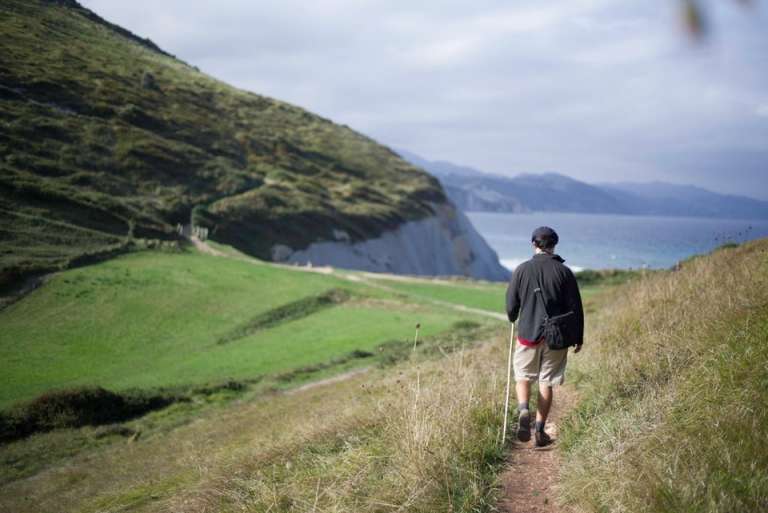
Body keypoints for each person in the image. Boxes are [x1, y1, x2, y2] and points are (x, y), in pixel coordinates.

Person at [505, 226, 584, 447]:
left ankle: (523, 410)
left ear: (534, 244)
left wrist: (513, 317)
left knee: (522, 375)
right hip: (556, 337)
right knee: (546, 381)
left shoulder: (521, 270)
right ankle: (539, 429)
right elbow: (576, 307)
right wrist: (578, 336)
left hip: (528, 333)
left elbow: (511, 305)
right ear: (554, 245)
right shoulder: (564, 272)